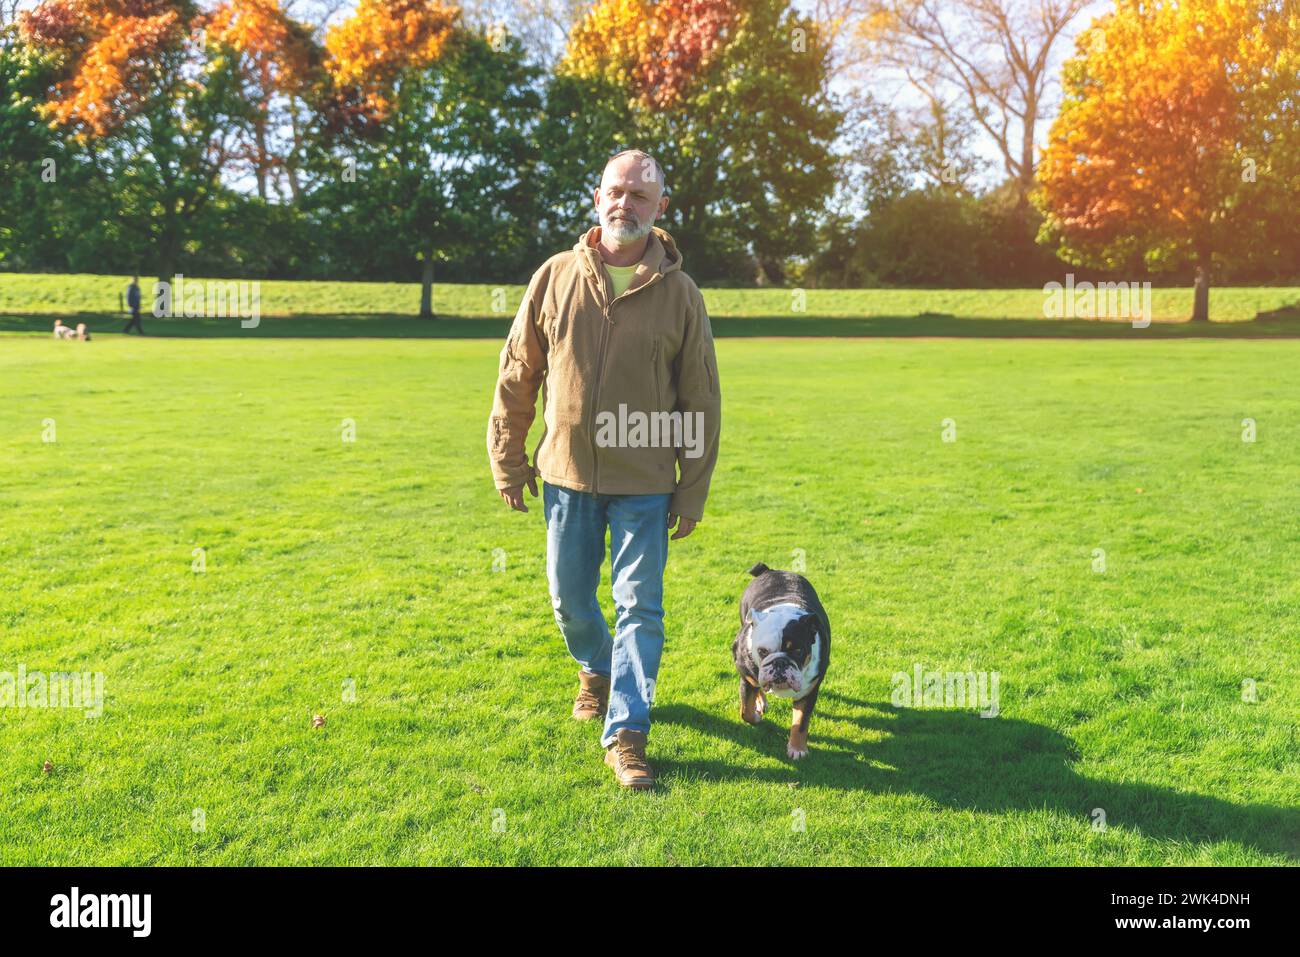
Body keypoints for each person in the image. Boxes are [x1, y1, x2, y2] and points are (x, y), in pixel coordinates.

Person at [486, 149, 722, 790]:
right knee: (570, 602)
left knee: (639, 609)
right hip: (566, 476)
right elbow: (517, 374)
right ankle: (595, 666)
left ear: (660, 209)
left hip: (646, 483)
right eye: (616, 192)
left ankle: (627, 733)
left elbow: (700, 396)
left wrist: (691, 490)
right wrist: (509, 459)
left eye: (641, 197)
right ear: (597, 197)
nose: (626, 204)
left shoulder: (681, 295)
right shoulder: (555, 276)